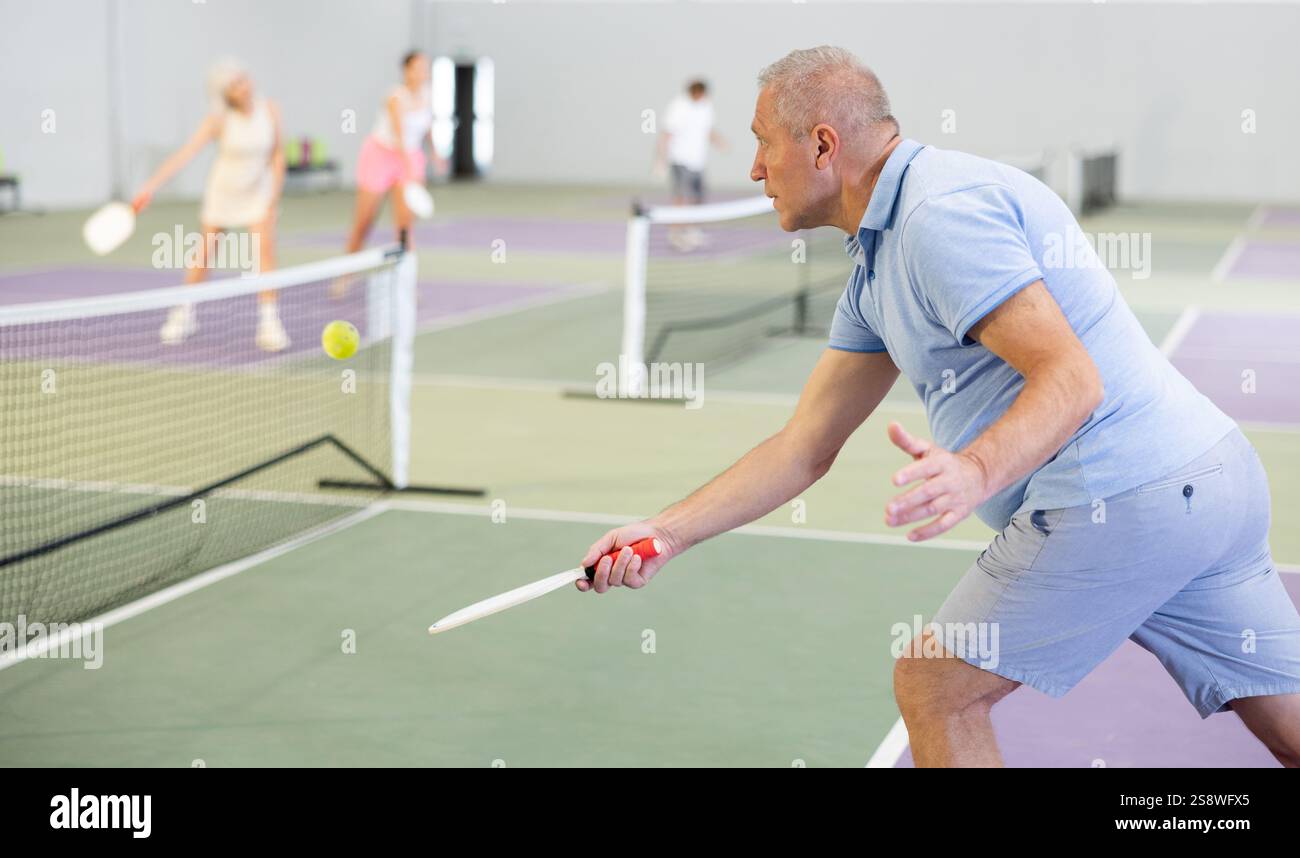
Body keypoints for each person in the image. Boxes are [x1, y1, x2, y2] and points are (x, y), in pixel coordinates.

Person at [579, 46, 1300, 768]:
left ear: (823, 144)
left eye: (765, 142)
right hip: (1210, 484)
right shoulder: (879, 261)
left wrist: (976, 470)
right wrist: (666, 534)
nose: (755, 168)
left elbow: (1072, 380)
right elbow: (803, 446)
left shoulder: (937, 218)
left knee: (934, 686)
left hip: (1123, 497)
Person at [132, 59, 289, 351]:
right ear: (225, 93)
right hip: (224, 191)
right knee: (204, 253)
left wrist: (273, 197)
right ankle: (184, 312)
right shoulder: (218, 120)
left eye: (244, 79)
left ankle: (270, 322)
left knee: (264, 251)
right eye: (235, 85)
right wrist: (150, 187)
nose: (243, 87)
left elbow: (278, 155)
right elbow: (185, 154)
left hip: (259, 190)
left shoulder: (270, 110)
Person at [343, 49, 441, 257]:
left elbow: (427, 125)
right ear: (406, 71)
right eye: (418, 68)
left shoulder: (428, 94)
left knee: (405, 228)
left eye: (426, 68)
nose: (424, 73)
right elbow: (399, 136)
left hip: (410, 157)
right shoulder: (395, 97)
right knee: (364, 223)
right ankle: (345, 276)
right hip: (381, 155)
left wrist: (435, 152)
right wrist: (410, 168)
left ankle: (405, 284)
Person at [655, 79, 726, 251]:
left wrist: (719, 142)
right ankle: (676, 234)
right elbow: (666, 134)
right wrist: (661, 160)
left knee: (698, 198)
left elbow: (708, 130)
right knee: (680, 199)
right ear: (693, 92)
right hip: (680, 160)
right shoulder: (678, 107)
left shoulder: (706, 106)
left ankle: (693, 231)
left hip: (698, 162)